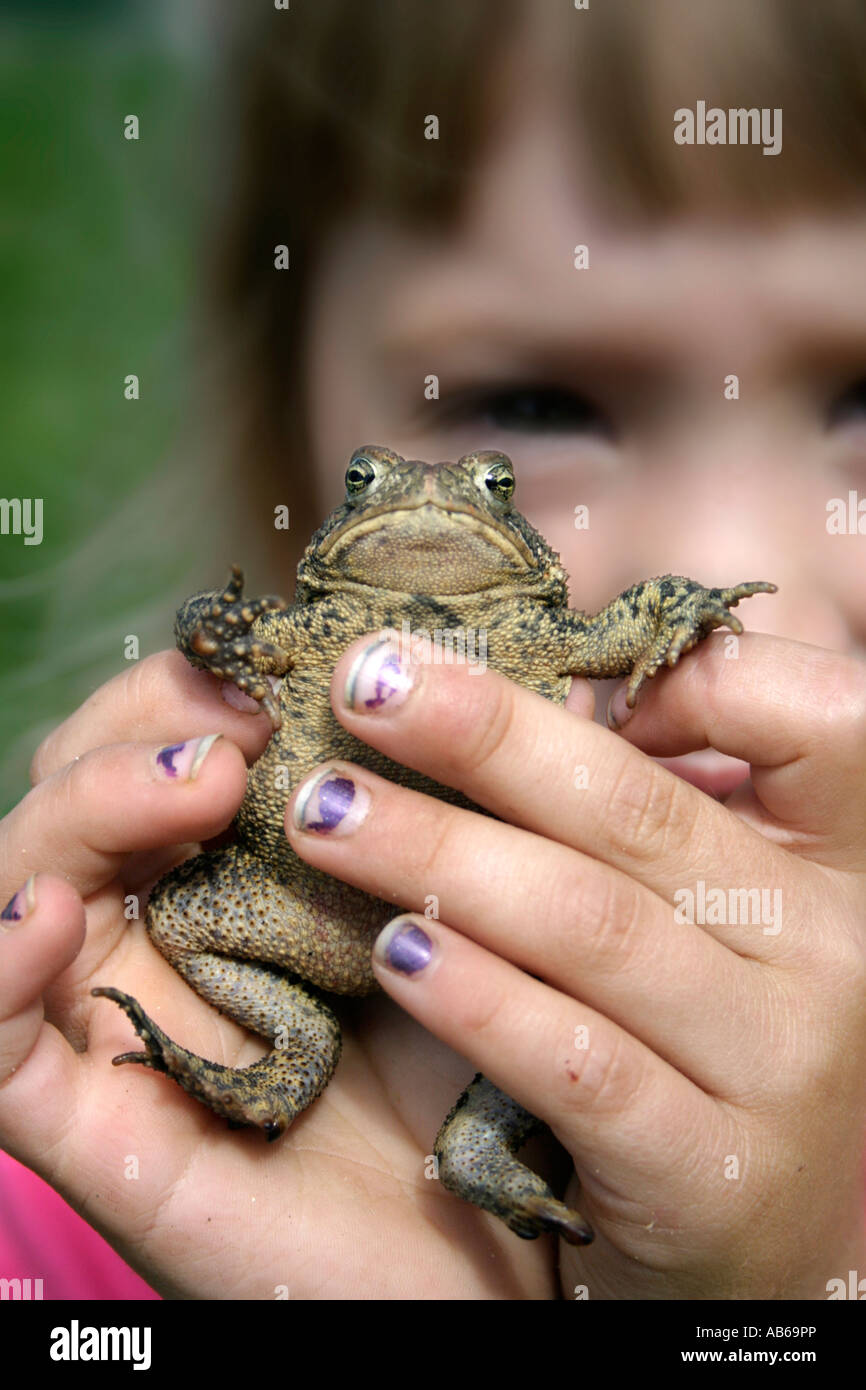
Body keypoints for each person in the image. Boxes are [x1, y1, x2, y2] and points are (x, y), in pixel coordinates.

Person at [1, 0, 865, 1299]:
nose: (754, 559)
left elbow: (619, 623)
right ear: (275, 415)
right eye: (532, 400)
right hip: (268, 941)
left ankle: (483, 1143)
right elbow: (223, 634)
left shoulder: (532, 626)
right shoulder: (68, 1188)